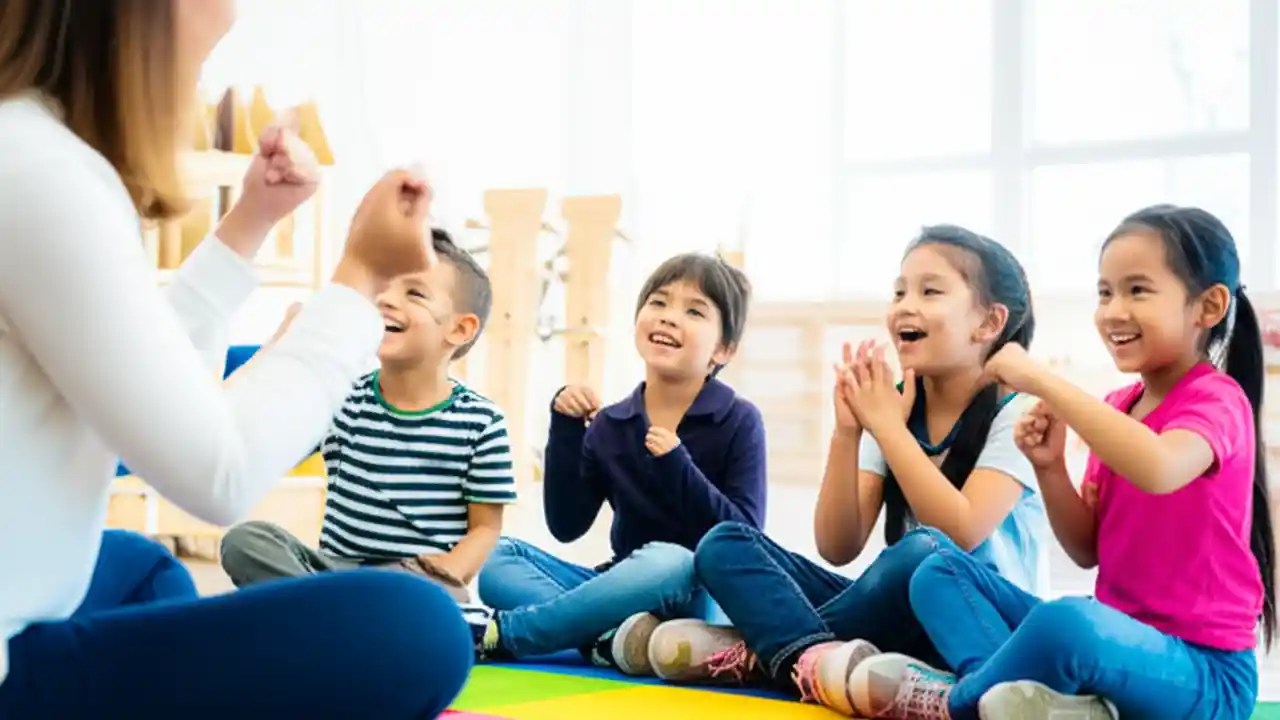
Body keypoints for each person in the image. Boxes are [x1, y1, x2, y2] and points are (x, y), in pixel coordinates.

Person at [0, 2, 471, 717]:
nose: (192, 86)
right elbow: (219, 474)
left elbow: (140, 392)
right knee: (418, 628)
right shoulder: (42, 172)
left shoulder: (27, 148)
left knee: (142, 569)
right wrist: (360, 282)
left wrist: (250, 222)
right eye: (200, 59)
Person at [848, 205, 1273, 720]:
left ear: (1208, 307)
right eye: (1104, 292)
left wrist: (1041, 380)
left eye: (1137, 290)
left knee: (1069, 622)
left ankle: (952, 702)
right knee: (938, 571)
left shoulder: (1217, 401)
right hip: (1115, 650)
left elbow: (1161, 468)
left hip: (1205, 675)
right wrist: (1050, 469)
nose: (1114, 310)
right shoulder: (1120, 405)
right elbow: (1086, 548)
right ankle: (1004, 698)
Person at [648, 227, 1050, 718]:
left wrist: (887, 428)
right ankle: (811, 657)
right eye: (899, 291)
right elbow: (838, 546)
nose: (904, 305)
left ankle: (768, 651)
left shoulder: (1020, 412)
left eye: (930, 291)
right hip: (887, 620)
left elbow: (959, 533)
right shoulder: (897, 401)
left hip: (978, 622)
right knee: (725, 543)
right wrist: (849, 433)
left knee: (923, 551)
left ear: (989, 322)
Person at [476, 253, 766, 675]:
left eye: (694, 311)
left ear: (723, 350)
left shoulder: (739, 419)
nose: (669, 317)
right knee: (494, 558)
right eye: (659, 302)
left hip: (690, 591)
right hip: (619, 590)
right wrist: (566, 430)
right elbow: (567, 524)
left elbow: (745, 537)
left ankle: (513, 633)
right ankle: (611, 639)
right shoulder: (612, 422)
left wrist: (677, 465)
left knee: (672, 560)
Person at [220, 230, 515, 635]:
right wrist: (280, 349)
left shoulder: (481, 421)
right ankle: (344, 624)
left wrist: (449, 572)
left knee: (433, 605)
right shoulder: (342, 395)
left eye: (415, 293)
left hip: (415, 578)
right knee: (246, 541)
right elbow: (265, 435)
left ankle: (328, 625)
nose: (388, 300)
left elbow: (486, 527)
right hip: (335, 574)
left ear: (460, 330)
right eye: (384, 288)